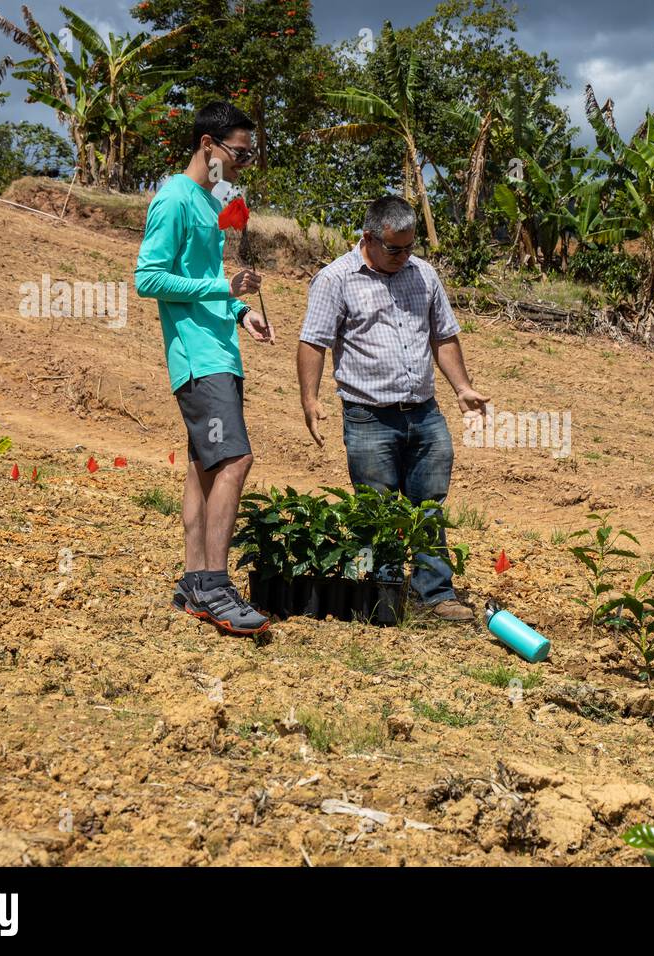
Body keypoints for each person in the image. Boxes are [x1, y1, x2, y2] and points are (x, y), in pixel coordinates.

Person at [297, 196, 489, 621]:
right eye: (394, 249)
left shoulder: (423, 275)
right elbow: (314, 341)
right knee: (376, 511)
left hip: (424, 412)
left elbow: (444, 335)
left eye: (410, 247)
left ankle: (435, 594)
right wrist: (309, 400)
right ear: (368, 238)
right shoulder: (336, 279)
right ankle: (381, 596)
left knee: (428, 506)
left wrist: (462, 388)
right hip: (368, 416)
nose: (404, 257)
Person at [135, 101, 275, 636]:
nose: (243, 163)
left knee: (204, 468)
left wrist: (239, 311)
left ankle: (195, 582)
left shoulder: (210, 199)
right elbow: (148, 278)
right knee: (236, 460)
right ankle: (217, 586)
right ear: (208, 146)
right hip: (198, 359)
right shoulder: (173, 198)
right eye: (239, 153)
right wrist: (222, 288)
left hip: (219, 349)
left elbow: (203, 272)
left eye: (249, 154)